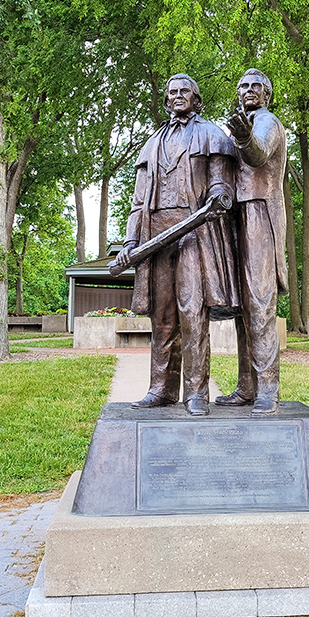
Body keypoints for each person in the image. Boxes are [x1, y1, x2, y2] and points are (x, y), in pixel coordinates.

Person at [112, 74, 239, 416]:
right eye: (172, 92)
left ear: (196, 99)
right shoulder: (151, 144)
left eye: (185, 91)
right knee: (162, 317)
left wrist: (217, 197)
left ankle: (196, 392)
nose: (178, 96)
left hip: (195, 233)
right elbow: (138, 201)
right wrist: (131, 240)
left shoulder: (212, 135)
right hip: (156, 235)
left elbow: (221, 184)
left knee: (192, 312)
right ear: (166, 100)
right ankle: (161, 389)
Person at [215, 69, 287, 415]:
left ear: (267, 94)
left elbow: (257, 156)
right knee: (242, 305)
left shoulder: (267, 121)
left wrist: (242, 137)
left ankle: (267, 389)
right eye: (242, 85)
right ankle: (247, 386)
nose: (247, 90)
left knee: (259, 302)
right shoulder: (239, 125)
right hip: (236, 214)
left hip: (260, 209)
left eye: (255, 86)